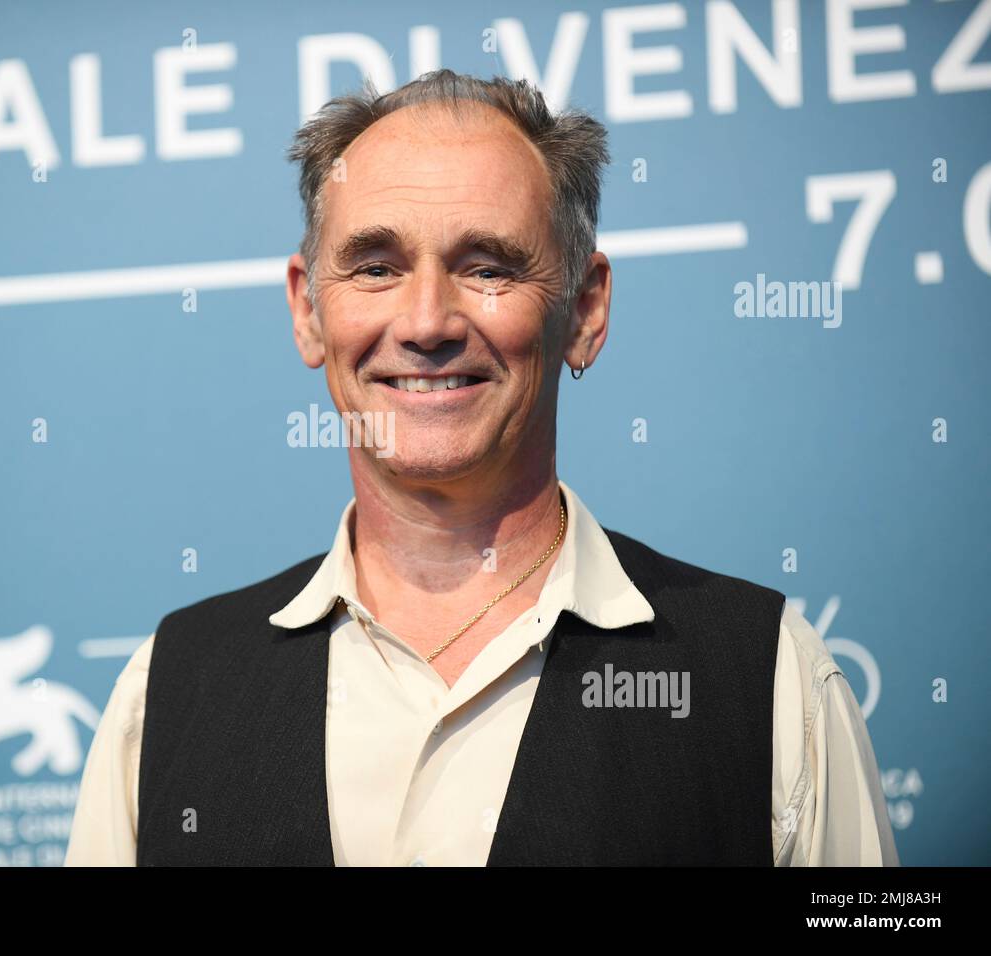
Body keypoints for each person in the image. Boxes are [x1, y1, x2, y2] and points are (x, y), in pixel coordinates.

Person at [65, 70, 898, 866]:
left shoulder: (773, 683)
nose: (427, 322)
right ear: (307, 309)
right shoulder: (166, 695)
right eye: (377, 267)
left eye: (488, 267)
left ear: (585, 309)